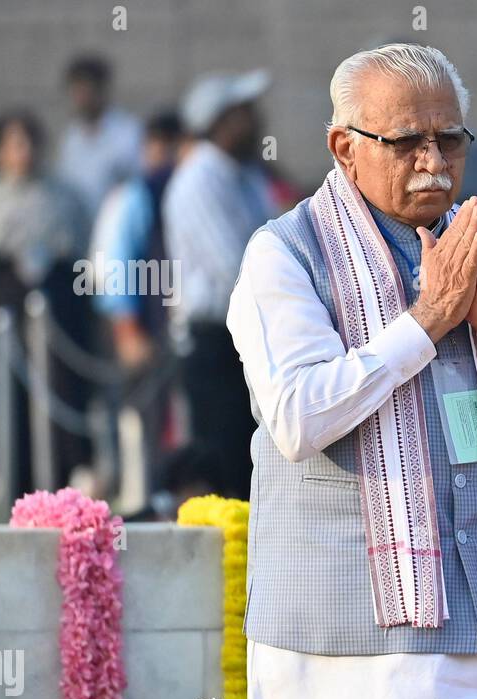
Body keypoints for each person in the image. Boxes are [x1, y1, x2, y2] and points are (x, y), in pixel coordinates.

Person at [225, 44, 477, 699]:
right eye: (407, 141)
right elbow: (296, 417)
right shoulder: (284, 253)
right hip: (340, 647)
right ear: (344, 148)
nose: (433, 162)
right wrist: (427, 321)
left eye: (450, 140)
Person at [0, 110, 90, 498]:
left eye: (28, 142)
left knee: (59, 398)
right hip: (1, 317)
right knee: (7, 404)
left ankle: (66, 485)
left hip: (55, 319)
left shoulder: (63, 198)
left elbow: (82, 263)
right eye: (14, 144)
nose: (23, 152)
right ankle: (11, 488)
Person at [164, 70, 276, 500]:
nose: (255, 121)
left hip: (246, 337)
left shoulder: (243, 175)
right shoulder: (198, 180)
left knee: (253, 464)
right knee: (226, 468)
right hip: (216, 343)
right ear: (219, 123)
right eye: (243, 113)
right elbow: (238, 268)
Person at [89, 111, 186, 500]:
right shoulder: (133, 197)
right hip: (137, 332)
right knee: (137, 424)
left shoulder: (177, 192)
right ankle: (139, 502)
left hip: (169, 332)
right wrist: (127, 329)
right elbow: (114, 266)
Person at [55, 55, 143, 223]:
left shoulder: (127, 133)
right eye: (76, 90)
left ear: (102, 90)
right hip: (79, 233)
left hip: (116, 229)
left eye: (86, 90)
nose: (81, 98)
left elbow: (138, 189)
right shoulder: (70, 138)